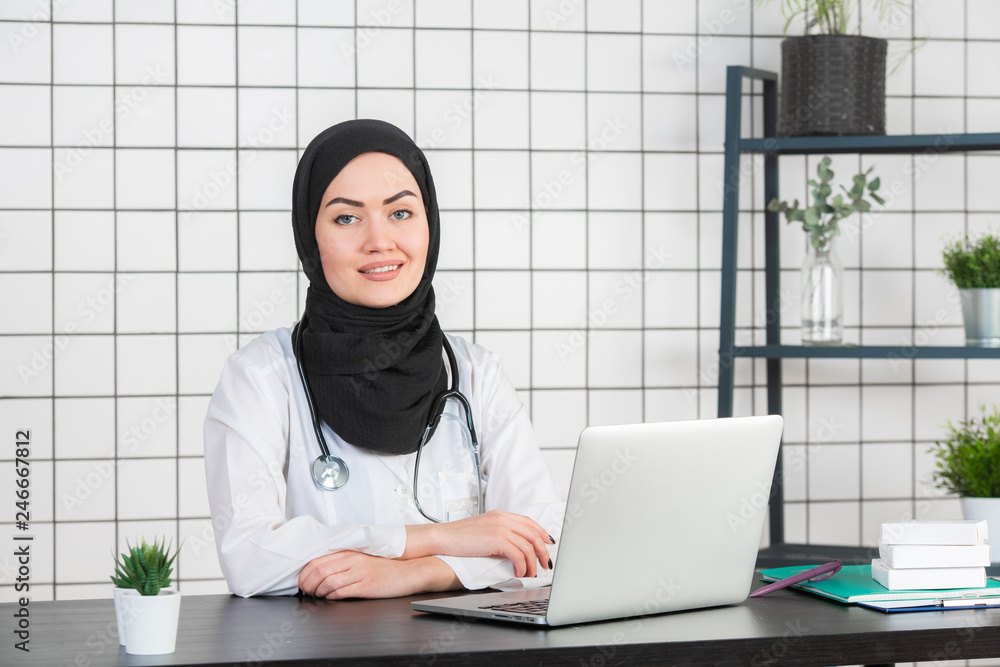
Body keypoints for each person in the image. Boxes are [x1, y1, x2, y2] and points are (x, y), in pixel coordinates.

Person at [203, 119, 565, 599]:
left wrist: (415, 572)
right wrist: (437, 538)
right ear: (309, 237)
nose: (380, 241)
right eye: (346, 218)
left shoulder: (475, 374)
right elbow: (250, 555)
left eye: (400, 213)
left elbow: (544, 546)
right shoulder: (261, 377)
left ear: (429, 224)